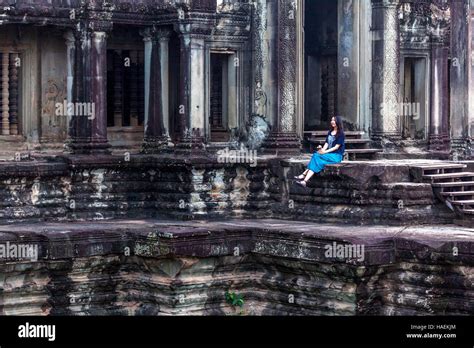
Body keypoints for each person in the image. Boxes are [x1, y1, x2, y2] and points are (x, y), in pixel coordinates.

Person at [295, 116, 345, 187]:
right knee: (318, 160)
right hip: (328, 155)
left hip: (336, 156)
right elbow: (327, 143)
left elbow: (336, 147)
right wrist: (322, 150)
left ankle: (304, 174)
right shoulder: (330, 132)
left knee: (316, 155)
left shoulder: (341, 134)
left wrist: (324, 152)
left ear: (338, 122)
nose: (332, 121)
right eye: (331, 120)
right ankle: (304, 181)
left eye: (334, 120)